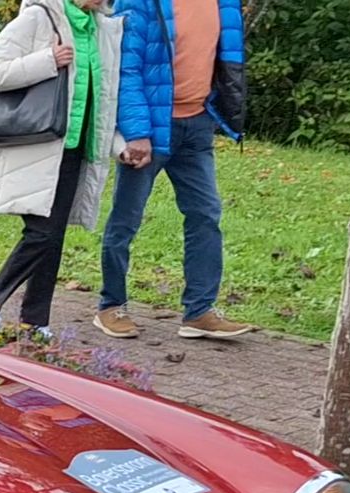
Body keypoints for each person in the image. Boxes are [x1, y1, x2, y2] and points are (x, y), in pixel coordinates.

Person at [94, 0, 251, 340]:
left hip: (198, 125)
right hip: (152, 128)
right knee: (126, 219)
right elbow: (126, 67)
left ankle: (199, 312)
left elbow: (227, 60)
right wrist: (137, 132)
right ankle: (111, 305)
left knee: (206, 214)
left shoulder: (224, 4)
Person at [0, 0, 123, 342]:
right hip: (38, 146)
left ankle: (35, 323)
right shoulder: (38, 17)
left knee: (52, 238)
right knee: (41, 234)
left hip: (74, 150)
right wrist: (47, 61)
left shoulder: (100, 28)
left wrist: (118, 145)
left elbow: (102, 99)